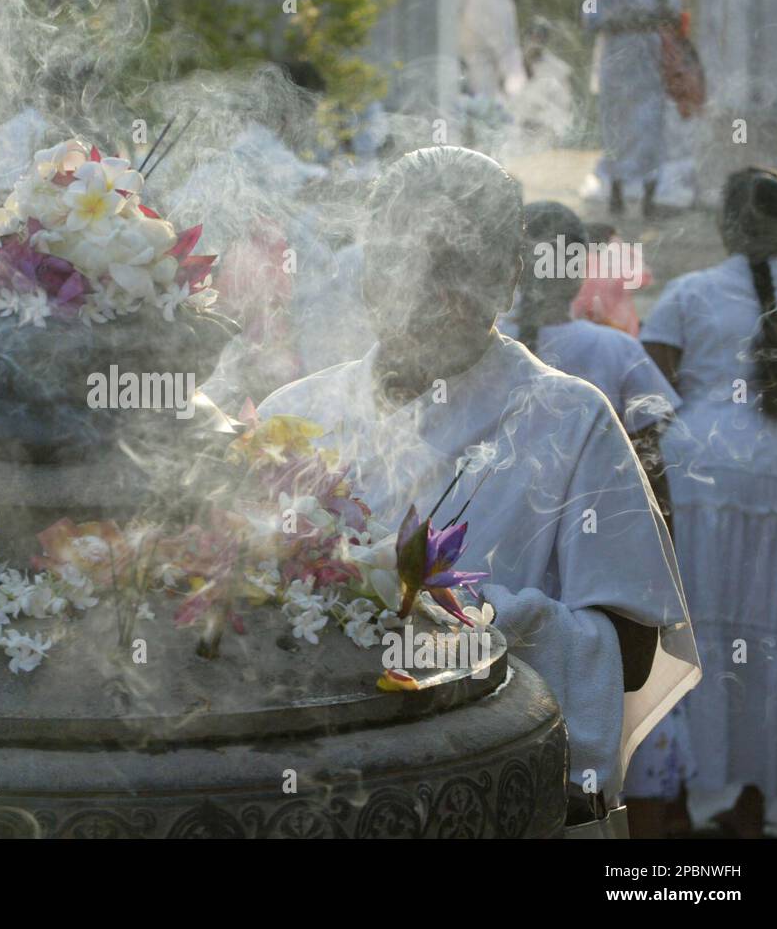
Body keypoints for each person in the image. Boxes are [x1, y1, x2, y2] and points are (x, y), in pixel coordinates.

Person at [259, 147, 699, 830]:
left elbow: (633, 649)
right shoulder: (295, 416)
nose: (432, 291)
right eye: (406, 260)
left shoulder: (569, 416)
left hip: (490, 791)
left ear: (510, 280)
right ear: (368, 272)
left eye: (461, 265)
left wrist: (473, 616)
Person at [640, 167, 777, 837]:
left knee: (703, 636)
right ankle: (770, 798)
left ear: (725, 224)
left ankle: (697, 793)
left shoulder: (688, 293)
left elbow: (648, 402)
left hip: (702, 481)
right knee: (773, 637)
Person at [499, 201, 678, 525]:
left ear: (514, 270)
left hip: (499, 526)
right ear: (579, 270)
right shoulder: (618, 349)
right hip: (601, 526)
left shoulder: (488, 342)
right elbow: (651, 464)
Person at [586, 0, 682, 218]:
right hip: (618, 59)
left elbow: (675, 13)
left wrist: (658, 13)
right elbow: (590, 12)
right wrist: (620, 20)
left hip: (652, 61)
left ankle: (649, 198)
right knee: (616, 125)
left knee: (652, 127)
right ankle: (616, 192)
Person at [457, 0, 527, 101]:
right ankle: (519, 111)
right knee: (512, 70)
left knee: (480, 81)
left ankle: (487, 115)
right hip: (500, 15)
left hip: (471, 17)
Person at [570, 221, 653, 337]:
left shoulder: (580, 268)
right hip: (623, 332)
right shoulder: (618, 269)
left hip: (589, 334)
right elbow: (646, 278)